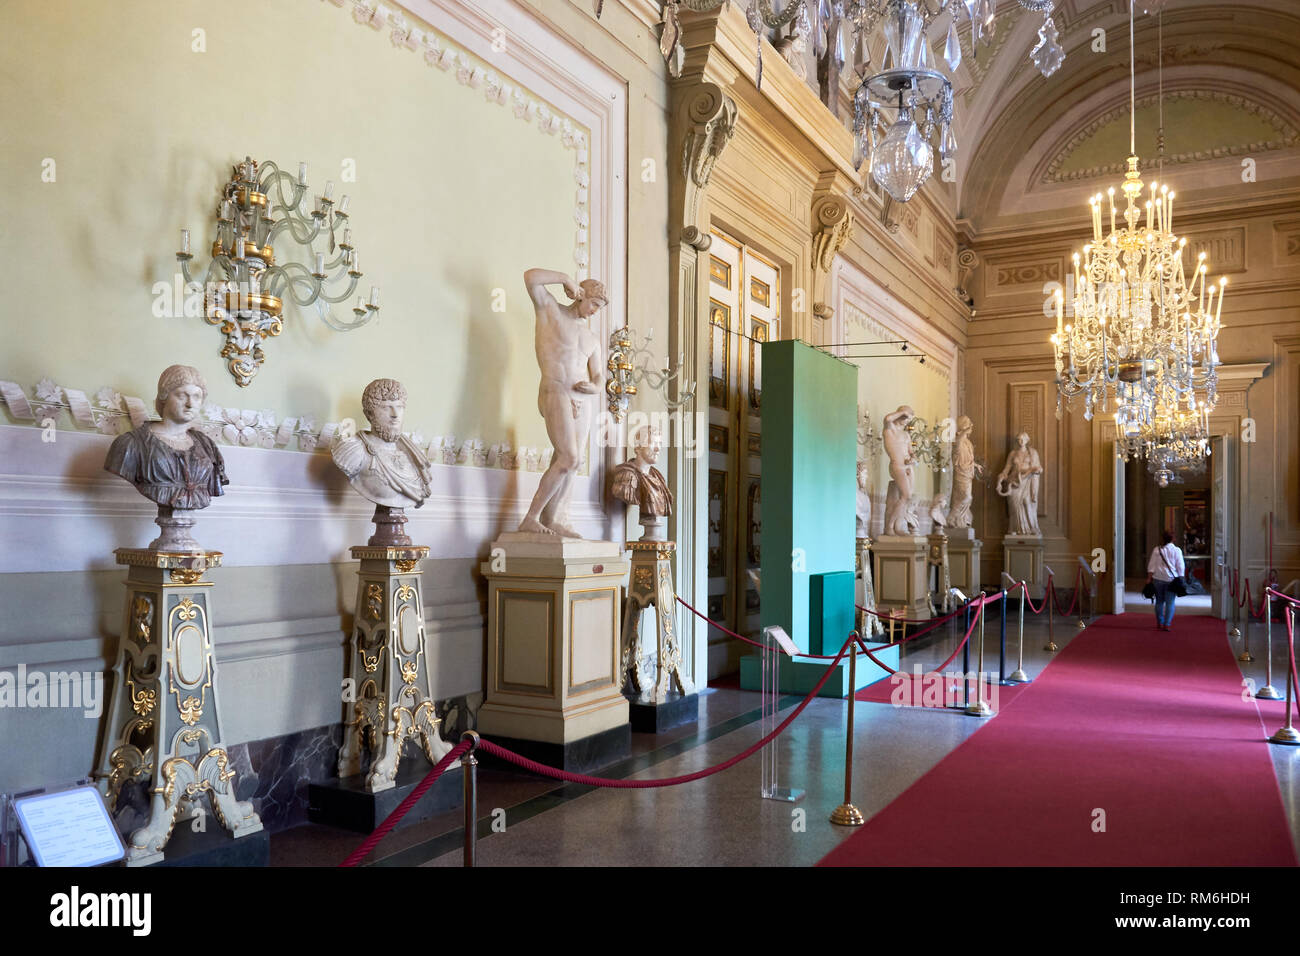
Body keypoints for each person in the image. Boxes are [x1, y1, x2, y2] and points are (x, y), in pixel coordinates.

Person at [517, 268, 608, 538]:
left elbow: (599, 375)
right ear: (580, 295)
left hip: (582, 399)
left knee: (572, 462)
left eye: (600, 307)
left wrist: (595, 386)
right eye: (594, 303)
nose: (595, 311)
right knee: (570, 457)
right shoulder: (551, 312)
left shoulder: (592, 338)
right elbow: (530, 278)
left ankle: (552, 518)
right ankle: (530, 518)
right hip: (555, 389)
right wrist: (565, 278)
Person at [1147, 530, 1186, 631]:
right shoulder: (1177, 550)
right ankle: (1167, 624)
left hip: (1158, 579)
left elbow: (1151, 566)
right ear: (1173, 539)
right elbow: (1180, 566)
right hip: (1171, 580)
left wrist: (1149, 578)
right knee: (1170, 603)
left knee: (1159, 602)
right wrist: (1181, 578)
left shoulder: (1157, 550)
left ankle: (1160, 622)